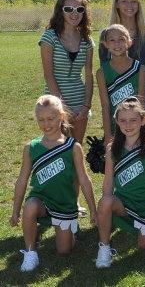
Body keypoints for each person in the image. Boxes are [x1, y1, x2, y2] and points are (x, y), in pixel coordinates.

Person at [10, 95, 97, 272]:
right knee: (30, 205)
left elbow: (84, 179)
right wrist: (15, 211)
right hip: (41, 201)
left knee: (64, 250)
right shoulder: (31, 147)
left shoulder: (73, 147)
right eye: (41, 120)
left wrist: (93, 210)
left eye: (51, 118)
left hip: (64, 204)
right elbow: (22, 180)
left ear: (61, 117)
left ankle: (70, 228)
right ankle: (30, 252)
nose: (46, 124)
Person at [94, 97, 145, 268]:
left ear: (143, 120)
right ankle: (104, 248)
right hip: (123, 204)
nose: (128, 125)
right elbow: (108, 181)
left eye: (133, 120)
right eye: (123, 120)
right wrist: (104, 208)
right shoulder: (112, 148)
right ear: (117, 121)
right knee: (105, 202)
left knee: (144, 247)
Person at [99, 0, 145, 123]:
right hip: (117, 90)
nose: (129, 5)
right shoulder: (106, 34)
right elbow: (104, 65)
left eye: (133, 1)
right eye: (124, 1)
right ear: (117, 4)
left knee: (140, 130)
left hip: (142, 91)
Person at [40, 0, 94, 141]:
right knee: (59, 146)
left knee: (77, 146)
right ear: (60, 11)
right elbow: (48, 75)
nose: (74, 13)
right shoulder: (49, 37)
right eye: (69, 9)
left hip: (80, 104)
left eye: (79, 9)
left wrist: (86, 106)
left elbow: (89, 75)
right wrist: (61, 107)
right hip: (55, 103)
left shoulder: (87, 40)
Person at [96, 24, 145, 144]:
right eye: (112, 40)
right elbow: (105, 106)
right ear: (105, 44)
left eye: (121, 39)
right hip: (116, 126)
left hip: (135, 127)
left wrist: (142, 132)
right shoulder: (101, 72)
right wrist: (108, 135)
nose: (117, 44)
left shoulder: (140, 69)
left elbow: (141, 103)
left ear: (129, 42)